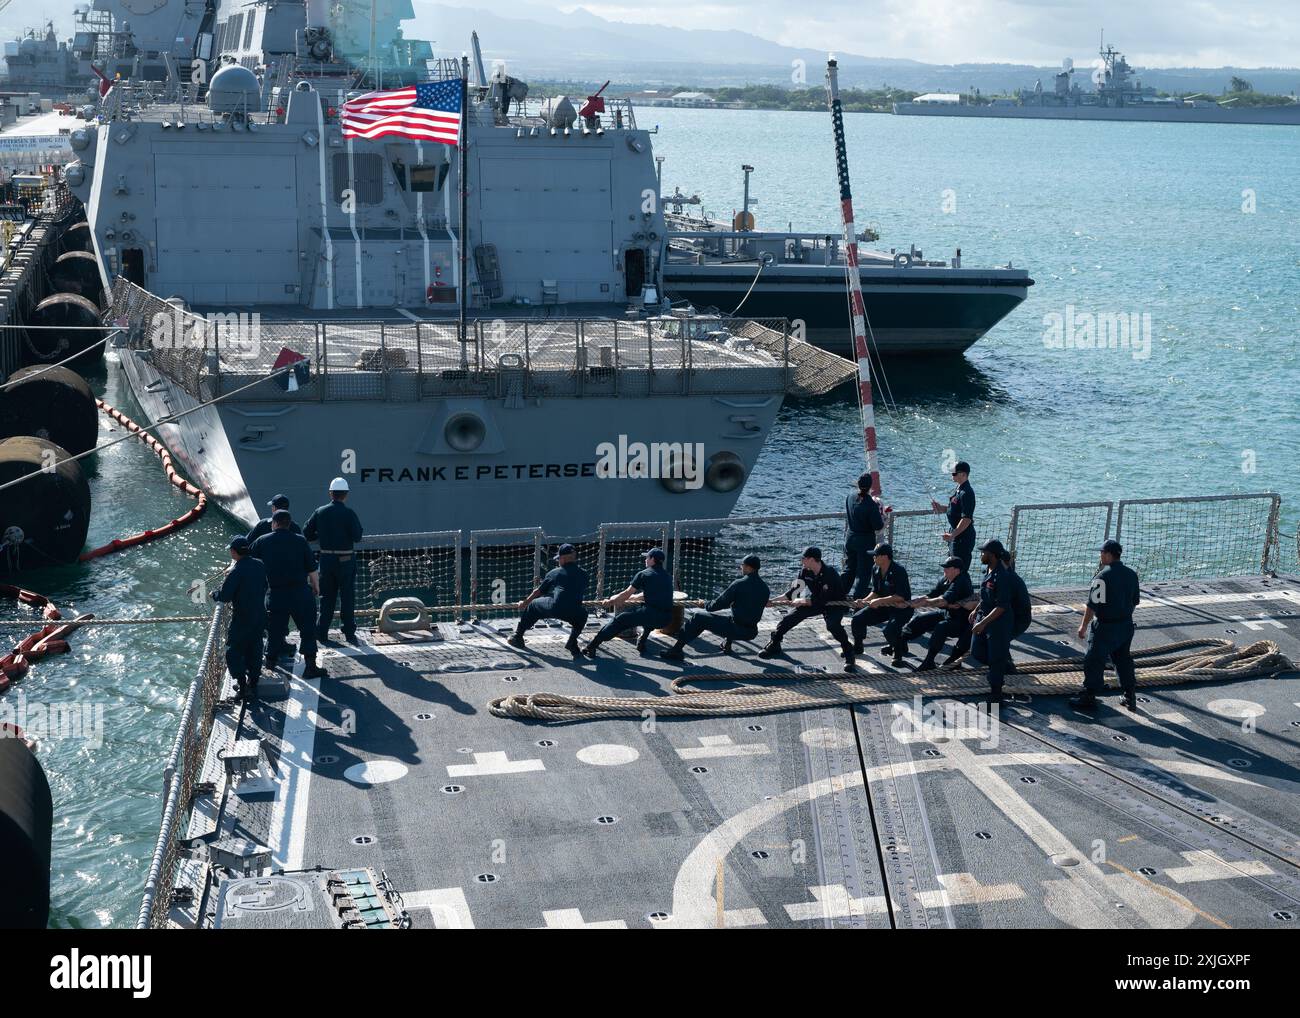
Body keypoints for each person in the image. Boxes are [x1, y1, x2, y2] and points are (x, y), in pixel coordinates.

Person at [252, 509, 326, 679]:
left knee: (275, 631)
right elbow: (312, 569)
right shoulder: (300, 541)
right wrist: (316, 587)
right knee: (308, 630)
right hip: (300, 593)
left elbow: (248, 561)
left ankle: (269, 665)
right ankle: (310, 667)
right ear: (289, 523)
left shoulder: (262, 541)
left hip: (276, 594)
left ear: (274, 524)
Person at [1070, 539, 1140, 712]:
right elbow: (1135, 601)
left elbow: (1092, 605)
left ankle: (1089, 696)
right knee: (1123, 660)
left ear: (1108, 555)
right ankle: (1130, 696)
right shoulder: (1132, 574)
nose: (1100, 556)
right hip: (1125, 625)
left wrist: (1083, 626)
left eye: (1102, 553)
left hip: (1105, 628)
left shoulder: (1101, 577)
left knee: (1094, 660)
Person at [758, 547, 855, 668]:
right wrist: (773, 601)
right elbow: (793, 593)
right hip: (814, 601)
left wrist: (802, 601)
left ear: (812, 560)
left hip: (834, 604)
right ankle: (775, 643)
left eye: (803, 558)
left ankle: (848, 650)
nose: (801, 560)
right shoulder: (805, 571)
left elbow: (822, 600)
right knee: (788, 618)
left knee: (833, 625)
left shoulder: (830, 574)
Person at [662, 554, 770, 660]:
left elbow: (717, 605)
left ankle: (676, 650)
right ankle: (727, 644)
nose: (740, 567)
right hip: (751, 632)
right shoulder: (765, 588)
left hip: (737, 629)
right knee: (735, 615)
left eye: (742, 565)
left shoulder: (739, 584)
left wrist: (704, 604)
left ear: (748, 567)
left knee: (698, 617)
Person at [582, 548, 674, 658]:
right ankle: (642, 642)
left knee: (619, 620)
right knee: (646, 612)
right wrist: (634, 598)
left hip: (652, 615)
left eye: (647, 557)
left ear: (652, 559)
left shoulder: (643, 574)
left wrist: (610, 602)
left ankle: (591, 646)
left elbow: (626, 593)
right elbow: (650, 595)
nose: (645, 560)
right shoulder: (667, 576)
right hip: (666, 619)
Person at [304, 477, 364, 646]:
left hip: (326, 560)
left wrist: (320, 537)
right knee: (347, 597)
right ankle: (349, 633)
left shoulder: (320, 512)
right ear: (346, 495)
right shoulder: (349, 513)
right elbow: (357, 536)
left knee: (326, 598)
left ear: (331, 493)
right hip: (346, 560)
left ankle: (322, 632)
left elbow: (307, 533)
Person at [211, 536, 268, 700]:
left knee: (233, 651)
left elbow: (225, 596)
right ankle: (254, 681)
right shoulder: (259, 564)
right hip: (260, 615)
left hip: (243, 618)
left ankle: (243, 686)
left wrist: (214, 594)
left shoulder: (236, 571)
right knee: (255, 647)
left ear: (235, 552)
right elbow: (265, 585)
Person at [509, 543, 589, 658]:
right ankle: (572, 642)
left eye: (559, 559)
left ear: (563, 558)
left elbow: (539, 592)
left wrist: (524, 603)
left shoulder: (554, 573)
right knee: (583, 614)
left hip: (556, 608)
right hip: (574, 610)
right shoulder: (584, 574)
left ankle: (518, 636)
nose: (558, 561)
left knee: (533, 605)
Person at [900, 555, 975, 672]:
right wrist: (913, 601)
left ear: (956, 570)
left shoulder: (961, 581)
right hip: (947, 613)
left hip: (961, 621)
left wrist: (923, 603)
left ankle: (929, 661)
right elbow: (932, 595)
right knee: (919, 619)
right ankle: (900, 644)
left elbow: (942, 601)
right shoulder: (945, 579)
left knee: (941, 627)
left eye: (947, 567)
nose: (944, 570)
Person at [849, 542, 913, 666]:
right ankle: (858, 647)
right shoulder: (875, 569)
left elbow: (901, 597)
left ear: (884, 557)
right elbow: (876, 591)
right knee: (857, 619)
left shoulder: (899, 571)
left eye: (876, 555)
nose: (873, 557)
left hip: (901, 608)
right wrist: (865, 600)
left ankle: (898, 653)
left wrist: (879, 601)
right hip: (883, 606)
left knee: (889, 630)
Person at [967, 538, 1014, 702]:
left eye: (984, 552)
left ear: (992, 555)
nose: (981, 555)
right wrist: (976, 609)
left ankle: (996, 693)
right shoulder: (988, 571)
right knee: (976, 651)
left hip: (998, 623)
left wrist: (983, 623)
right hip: (984, 616)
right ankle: (1003, 665)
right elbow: (986, 596)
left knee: (995, 657)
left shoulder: (1002, 576)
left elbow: (1001, 606)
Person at [842, 472, 886, 598]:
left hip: (850, 538)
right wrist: (884, 517)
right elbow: (878, 526)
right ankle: (858, 602)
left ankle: (838, 596)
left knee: (849, 569)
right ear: (870, 486)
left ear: (857, 483)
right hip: (865, 542)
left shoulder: (850, 496)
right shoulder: (870, 504)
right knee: (863, 574)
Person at [931, 461, 976, 572]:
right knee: (951, 567)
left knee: (958, 570)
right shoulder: (958, 489)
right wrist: (941, 508)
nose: (952, 475)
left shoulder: (967, 493)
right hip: (956, 535)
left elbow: (966, 519)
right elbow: (954, 510)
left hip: (962, 537)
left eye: (954, 473)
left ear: (964, 475)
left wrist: (953, 535)